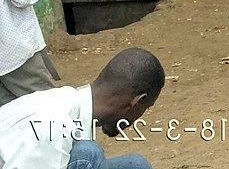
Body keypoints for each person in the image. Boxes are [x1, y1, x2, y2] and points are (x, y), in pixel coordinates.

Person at [0, 48, 163, 169]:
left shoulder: (69, 102)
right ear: (136, 102)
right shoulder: (54, 128)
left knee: (135, 165)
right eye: (146, 108)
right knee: (88, 153)